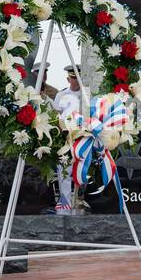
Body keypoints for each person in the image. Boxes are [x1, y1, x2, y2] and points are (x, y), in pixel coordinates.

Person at [51, 67, 84, 214]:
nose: (75, 80)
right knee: (64, 169)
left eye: (77, 77)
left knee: (81, 171)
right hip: (65, 137)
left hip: (82, 136)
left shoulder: (86, 94)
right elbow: (56, 115)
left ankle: (78, 201)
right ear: (68, 79)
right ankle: (64, 202)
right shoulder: (61, 94)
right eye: (73, 77)